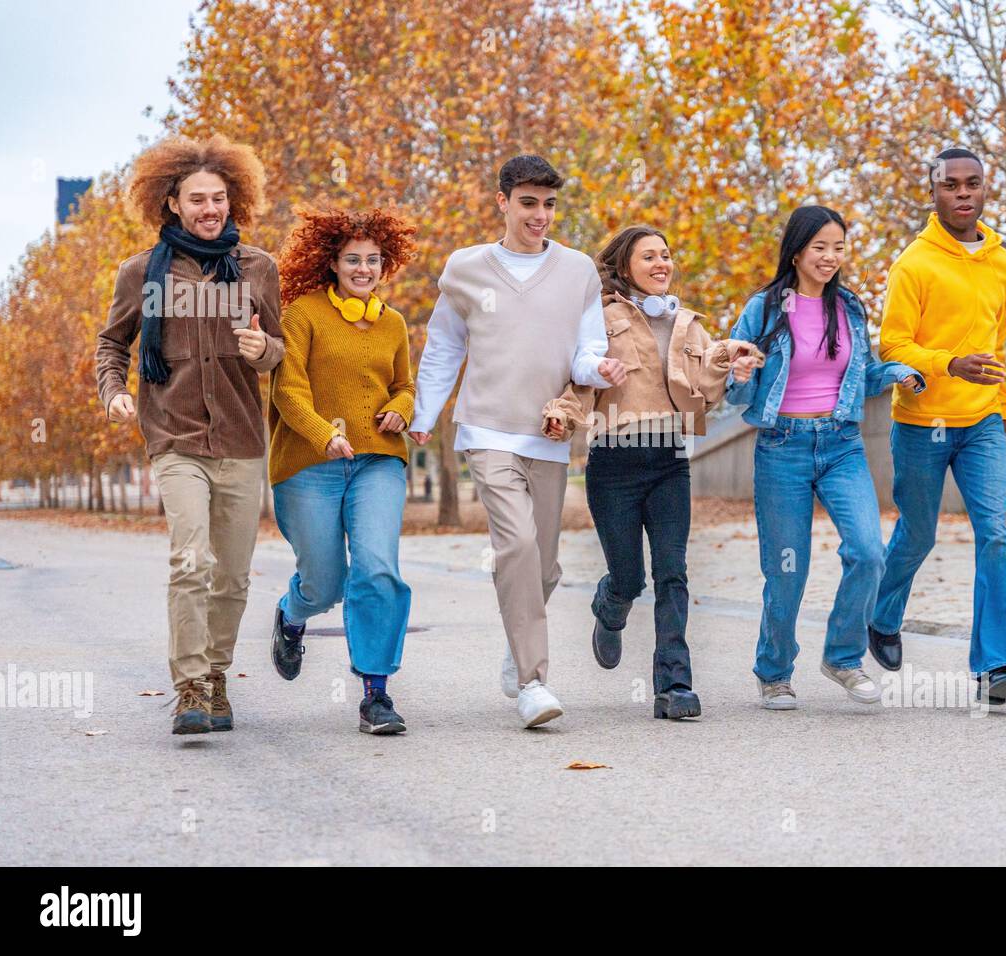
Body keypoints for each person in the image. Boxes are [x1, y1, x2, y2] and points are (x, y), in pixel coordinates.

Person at [407, 155, 625, 728]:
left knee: (546, 567)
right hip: (487, 428)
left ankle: (517, 635)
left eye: (549, 204)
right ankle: (533, 682)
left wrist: (600, 369)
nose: (540, 215)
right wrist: (425, 414)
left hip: (550, 432)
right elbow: (444, 347)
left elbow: (584, 349)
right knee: (518, 547)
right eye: (528, 203)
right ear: (502, 201)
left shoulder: (578, 270)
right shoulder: (466, 268)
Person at [96, 134, 283, 735]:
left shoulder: (257, 267)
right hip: (174, 435)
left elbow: (280, 351)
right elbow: (111, 342)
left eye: (220, 199)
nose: (210, 210)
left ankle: (218, 674)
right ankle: (191, 688)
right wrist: (114, 390)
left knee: (230, 574)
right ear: (171, 203)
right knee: (189, 560)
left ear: (234, 201)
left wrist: (262, 350)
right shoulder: (140, 274)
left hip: (240, 439)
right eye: (197, 199)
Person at [541, 226, 764, 719]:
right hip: (613, 464)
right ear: (625, 267)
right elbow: (581, 378)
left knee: (673, 571)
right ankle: (610, 604)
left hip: (668, 461)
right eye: (649, 256)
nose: (662, 263)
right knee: (629, 577)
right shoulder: (600, 319)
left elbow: (706, 387)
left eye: (666, 255)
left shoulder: (689, 324)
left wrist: (733, 363)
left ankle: (675, 684)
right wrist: (562, 414)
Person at [725, 206, 924, 710]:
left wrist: (898, 372)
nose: (831, 257)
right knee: (788, 568)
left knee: (868, 551)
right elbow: (730, 385)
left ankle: (842, 656)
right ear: (796, 251)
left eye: (838, 247)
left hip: (841, 445)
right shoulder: (765, 308)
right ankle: (774, 671)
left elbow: (863, 375)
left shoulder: (850, 308)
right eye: (820, 247)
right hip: (782, 448)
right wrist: (739, 374)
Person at [871, 147, 1006, 705]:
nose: (963, 193)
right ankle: (883, 615)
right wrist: (946, 363)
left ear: (986, 190)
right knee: (919, 532)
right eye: (951, 185)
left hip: (983, 416)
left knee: (995, 533)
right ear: (933, 193)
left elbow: (999, 338)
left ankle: (996, 665)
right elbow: (892, 345)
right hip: (921, 419)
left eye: (973, 184)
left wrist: (997, 403)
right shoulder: (914, 263)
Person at [268, 206, 418, 733]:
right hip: (310, 463)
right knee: (325, 583)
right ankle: (292, 614)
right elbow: (287, 389)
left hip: (378, 460)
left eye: (373, 260)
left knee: (377, 568)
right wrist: (324, 434)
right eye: (352, 259)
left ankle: (376, 694)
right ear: (331, 262)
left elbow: (404, 384)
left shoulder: (393, 322)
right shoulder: (303, 314)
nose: (363, 268)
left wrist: (403, 406)